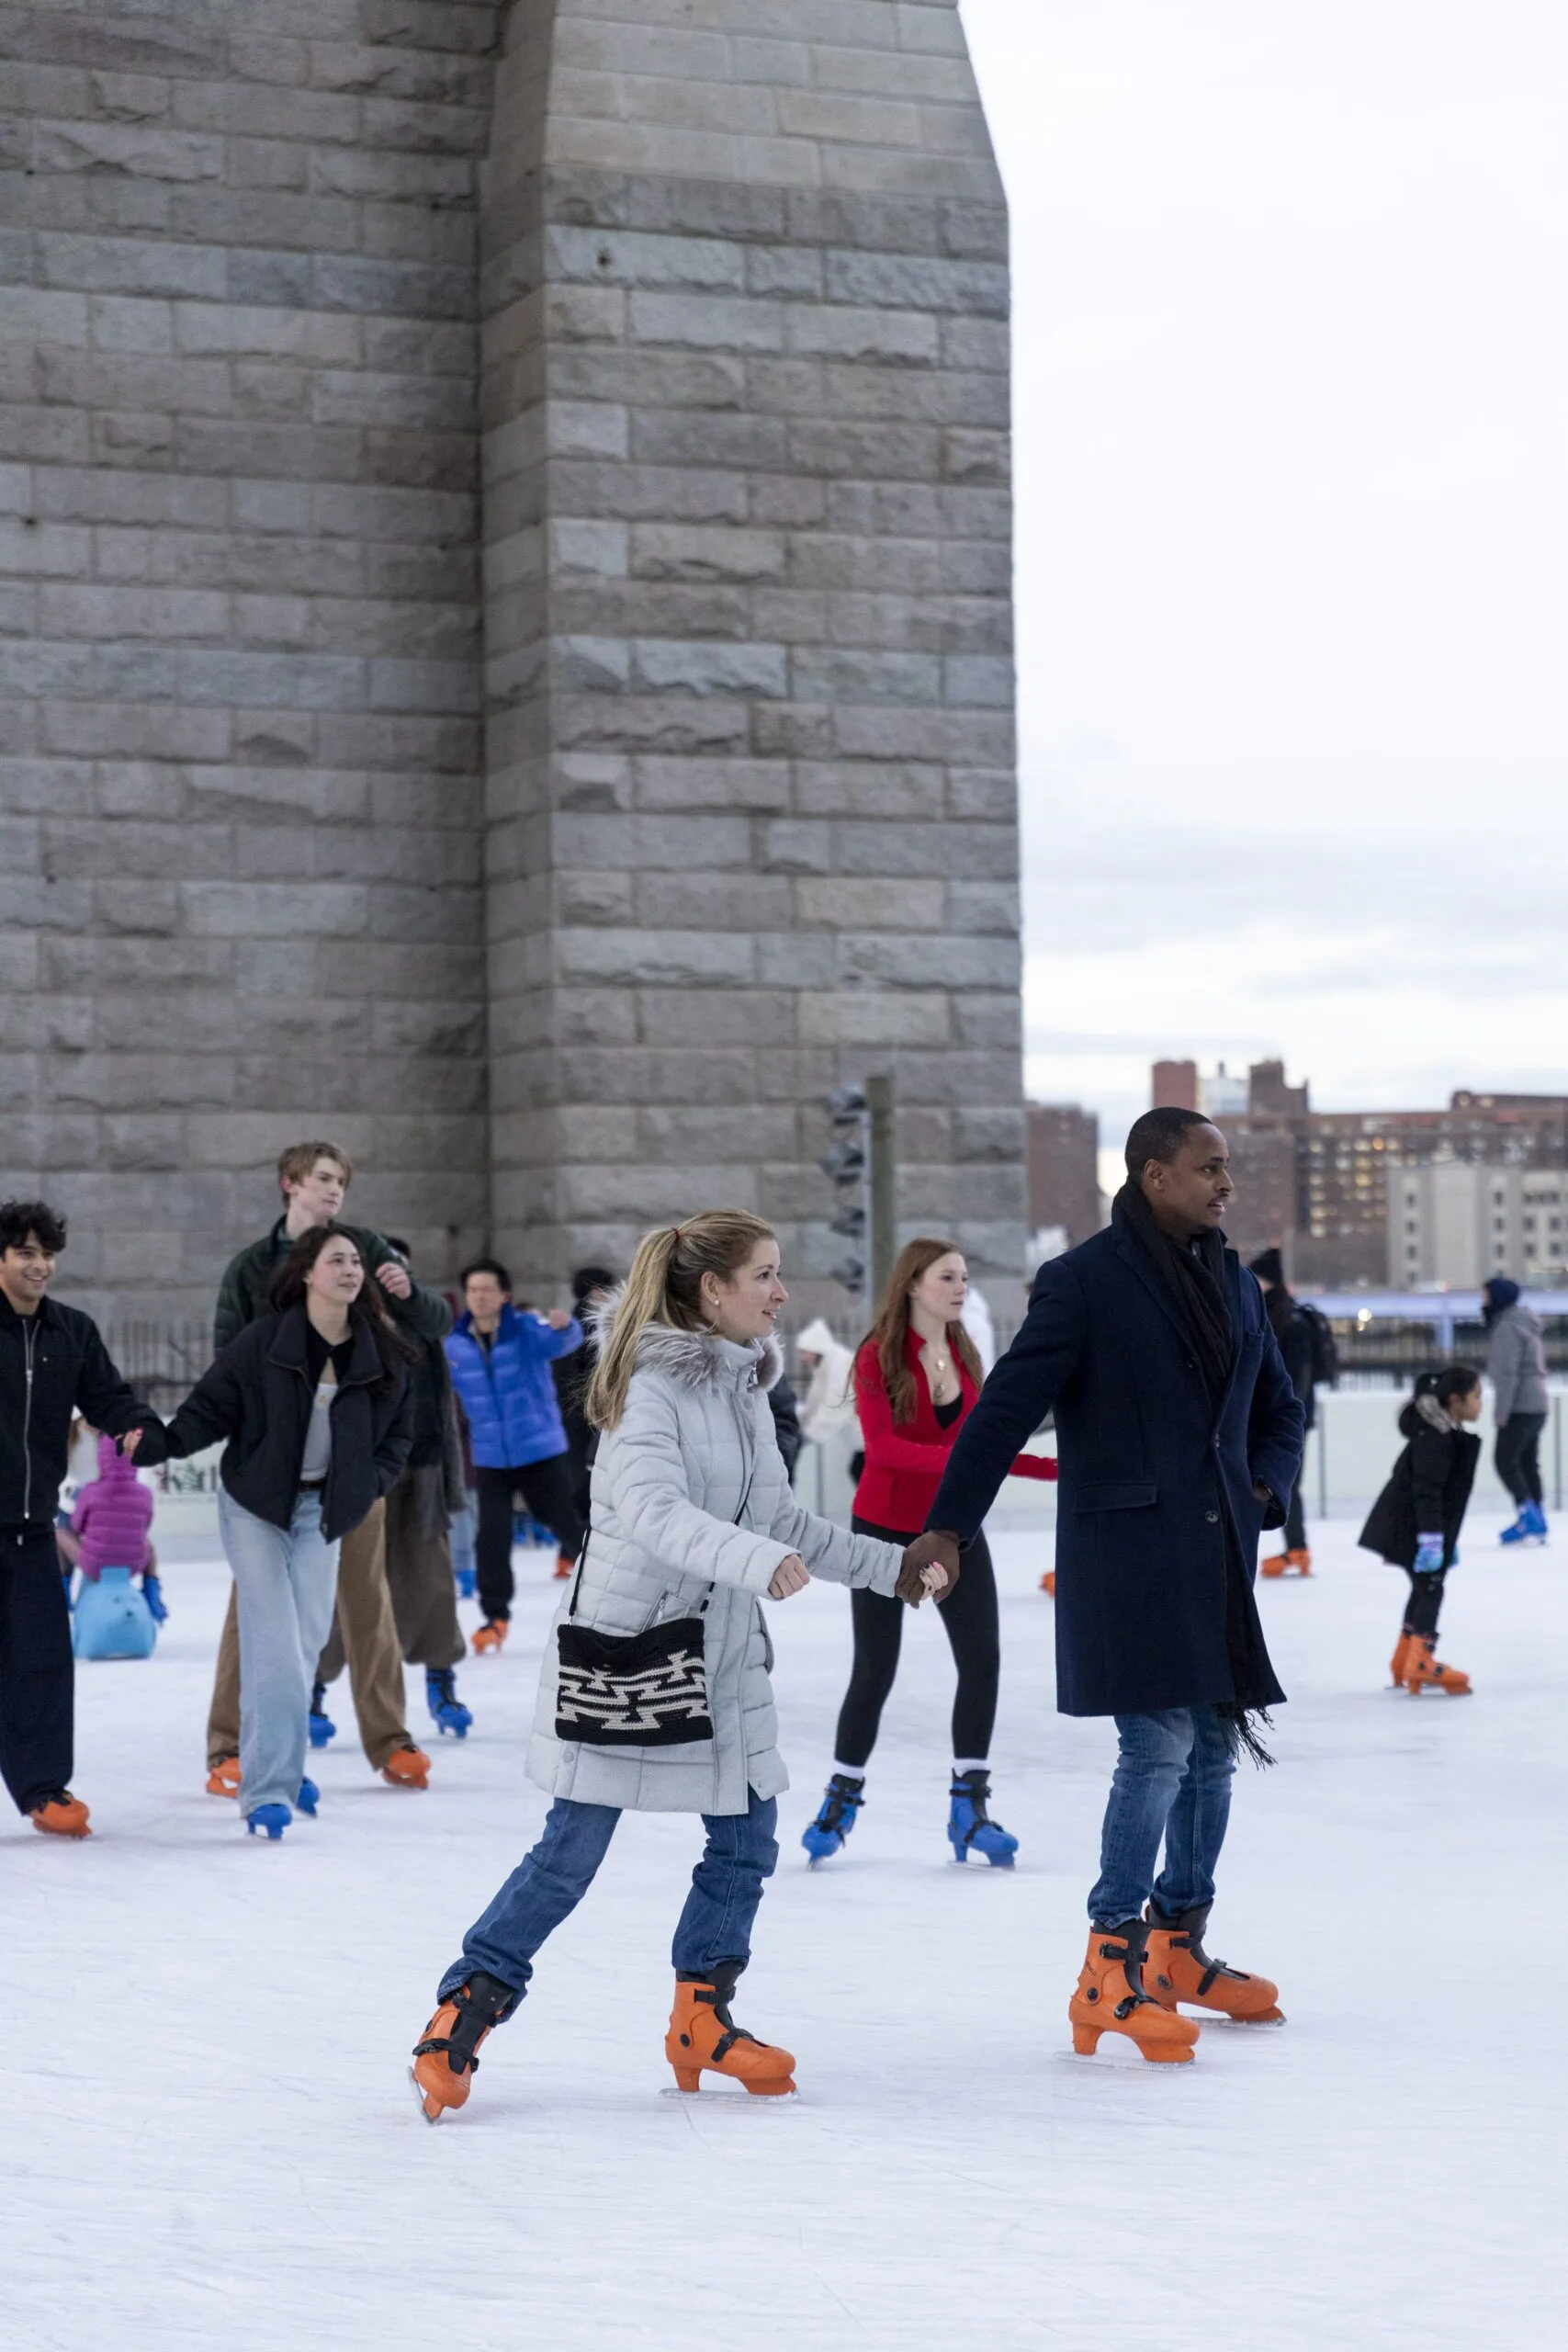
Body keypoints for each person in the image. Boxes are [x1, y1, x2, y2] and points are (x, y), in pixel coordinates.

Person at [408, 1211, 949, 2121]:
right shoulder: (649, 1388)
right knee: (570, 1851)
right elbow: (654, 1512)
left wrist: (890, 1568)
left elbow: (786, 1522)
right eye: (766, 1276)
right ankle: (464, 2005)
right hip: (634, 1651)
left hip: (723, 1646)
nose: (781, 1293)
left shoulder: (742, 1388)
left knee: (747, 1837)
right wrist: (751, 1560)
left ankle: (702, 2015)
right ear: (712, 1290)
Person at [906, 1110, 1304, 2064]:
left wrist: (1260, 1489)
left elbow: (1278, 1407)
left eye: (1227, 1169)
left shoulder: (1234, 1283)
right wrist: (951, 1524)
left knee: (1211, 1741)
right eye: (1208, 1168)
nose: (1225, 1184)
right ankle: (1107, 1962)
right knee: (1160, 1739)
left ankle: (1177, 1944)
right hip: (1127, 1553)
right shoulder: (1084, 1282)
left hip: (1214, 1550)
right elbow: (1005, 1408)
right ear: (1152, 1173)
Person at [138, 1226, 413, 1839]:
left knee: (305, 1643)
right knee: (275, 1648)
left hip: (325, 1512)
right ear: (307, 1273)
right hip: (257, 1508)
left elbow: (399, 1434)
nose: (349, 1269)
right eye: (335, 1259)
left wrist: (371, 1481)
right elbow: (208, 1408)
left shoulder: (381, 1352)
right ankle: (269, 1790)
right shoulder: (265, 1342)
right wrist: (159, 1442)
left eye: (356, 1262)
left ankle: (278, 1763)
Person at [801, 1238, 1056, 1870]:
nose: (960, 1287)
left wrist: (1054, 1470)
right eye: (947, 1277)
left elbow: (985, 1443)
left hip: (953, 1527)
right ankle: (840, 1797)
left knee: (982, 1661)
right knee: (874, 1669)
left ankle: (969, 1808)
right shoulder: (876, 1356)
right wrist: (970, 1462)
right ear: (913, 1283)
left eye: (965, 1277)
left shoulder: (966, 1356)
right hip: (883, 1529)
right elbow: (884, 1451)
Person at [205, 1141, 445, 1797]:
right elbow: (227, 1357)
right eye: (323, 1179)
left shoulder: (365, 1249)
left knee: (368, 1596)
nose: (335, 1190)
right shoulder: (252, 1267)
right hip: (272, 1473)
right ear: (290, 1185)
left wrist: (410, 1290)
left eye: (341, 1180)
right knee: (251, 1607)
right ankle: (228, 1746)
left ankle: (390, 1738)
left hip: (352, 1461)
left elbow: (431, 1325)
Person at [0, 1200, 159, 1838]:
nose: (40, 1265)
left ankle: (42, 1790)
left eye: (46, 1254)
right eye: (25, 1253)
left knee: (41, 1659)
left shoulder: (72, 1332)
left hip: (35, 1527)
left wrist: (138, 1424)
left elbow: (108, 1398)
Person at [317, 1236, 474, 1741]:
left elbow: (441, 1319)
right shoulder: (342, 1323)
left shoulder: (422, 1320)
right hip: (355, 1476)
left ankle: (441, 1680)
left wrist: (408, 1294)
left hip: (418, 1470)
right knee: (343, 1587)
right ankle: (314, 1690)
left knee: (430, 1580)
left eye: (396, 1270)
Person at [444, 1259, 586, 1650]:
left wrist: (565, 1327)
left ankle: (603, 1592)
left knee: (564, 1523)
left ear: (503, 1295)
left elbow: (560, 1342)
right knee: (491, 1535)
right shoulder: (455, 1345)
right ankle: (495, 1617)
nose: (479, 1296)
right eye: (473, 1290)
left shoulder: (524, 1331)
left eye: (487, 1289)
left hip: (539, 1448)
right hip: (490, 1457)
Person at [1359, 1365, 1483, 1696]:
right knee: (1431, 1588)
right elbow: (1426, 1491)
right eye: (1476, 1396)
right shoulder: (1435, 1438)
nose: (1480, 1404)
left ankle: (1404, 1660)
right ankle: (1420, 1662)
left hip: (1412, 1527)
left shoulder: (1437, 1432)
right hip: (1413, 1529)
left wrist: (1440, 1537)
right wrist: (1431, 1539)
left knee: (1422, 1588)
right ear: (1455, 1399)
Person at [1248, 1248, 1317, 1576]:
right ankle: (1296, 1547)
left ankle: (1298, 1548)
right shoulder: (1273, 1313)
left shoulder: (1286, 1318)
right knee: (1283, 1481)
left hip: (1287, 1417)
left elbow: (1295, 1377)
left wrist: (1288, 1414)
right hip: (1282, 1415)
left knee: (1286, 1481)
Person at [1483, 1277, 1550, 1545]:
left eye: (1486, 1297)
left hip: (1520, 1407)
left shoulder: (1507, 1327)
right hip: (1537, 1405)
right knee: (1526, 1462)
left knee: (1505, 1460)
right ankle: (1537, 1518)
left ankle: (1528, 1515)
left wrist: (1501, 1413)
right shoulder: (1524, 1323)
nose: (1483, 1303)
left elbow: (1506, 1375)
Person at [555, 1263, 616, 1529]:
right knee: (591, 1475)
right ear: (595, 1292)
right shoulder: (594, 1325)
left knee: (575, 1473)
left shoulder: (569, 1323)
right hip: (589, 1410)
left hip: (568, 1412)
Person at [69, 1431, 158, 1612]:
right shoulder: (145, 1493)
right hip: (133, 1563)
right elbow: (145, 1526)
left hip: (95, 1563)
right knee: (149, 1546)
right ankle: (151, 1593)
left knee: (59, 1534)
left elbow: (76, 1526)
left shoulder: (91, 1491)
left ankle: (63, 1592)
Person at [795, 1318, 857, 1448]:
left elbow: (836, 1402)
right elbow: (815, 1400)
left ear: (816, 1349)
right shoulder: (825, 1366)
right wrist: (802, 1423)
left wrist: (810, 1434)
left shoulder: (840, 1363)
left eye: (805, 1352)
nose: (802, 1358)